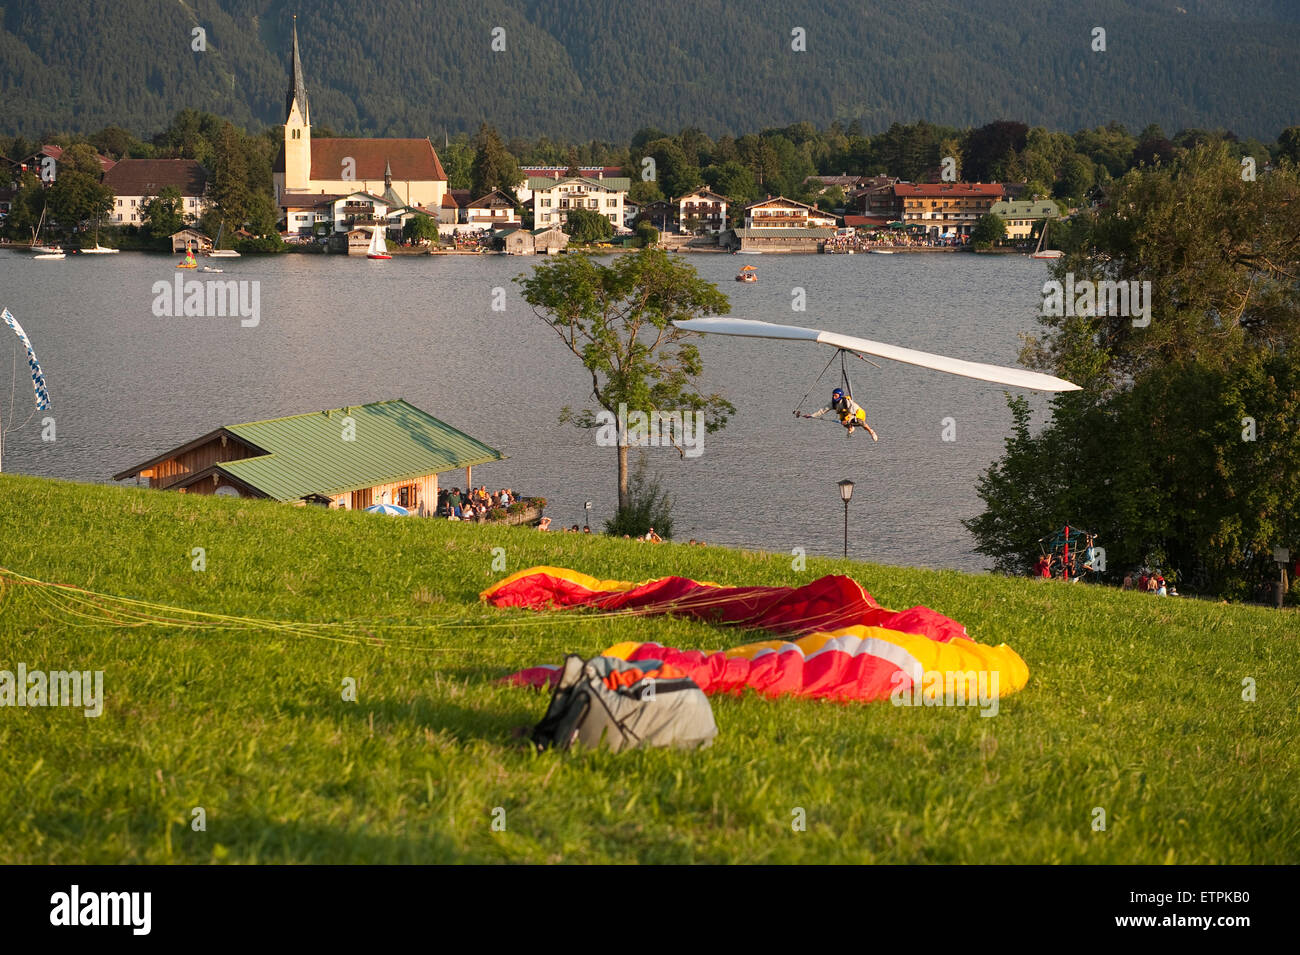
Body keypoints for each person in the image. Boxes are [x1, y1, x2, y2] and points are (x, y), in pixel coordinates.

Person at [803, 387, 877, 441]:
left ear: (840, 396)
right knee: (842, 421)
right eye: (833, 395)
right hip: (847, 415)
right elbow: (822, 411)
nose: (834, 397)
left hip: (857, 413)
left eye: (836, 396)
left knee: (860, 422)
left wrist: (847, 420)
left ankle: (871, 432)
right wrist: (811, 415)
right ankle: (851, 428)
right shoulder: (833, 403)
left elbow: (852, 414)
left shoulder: (847, 402)